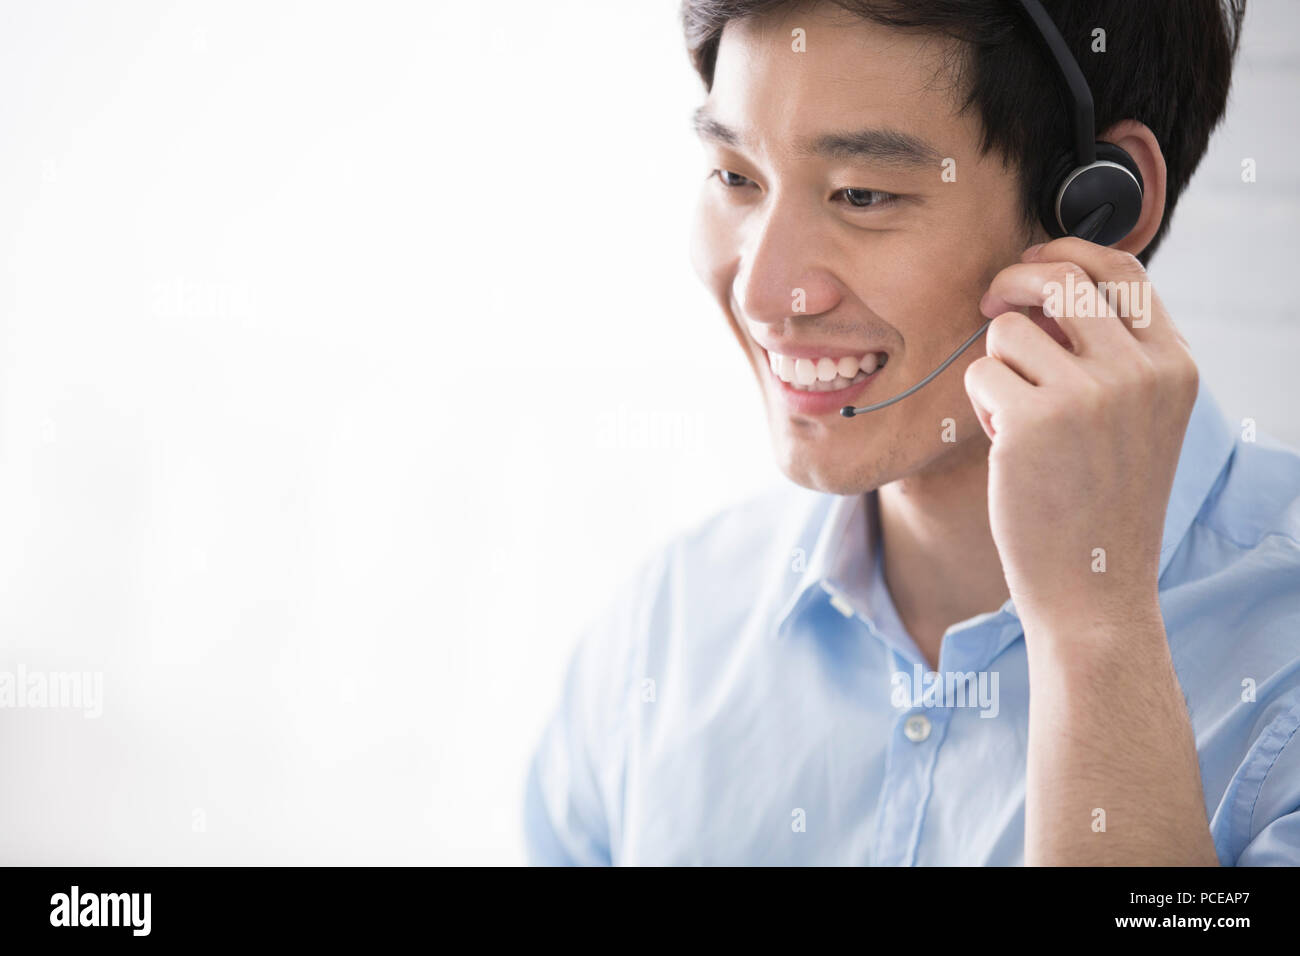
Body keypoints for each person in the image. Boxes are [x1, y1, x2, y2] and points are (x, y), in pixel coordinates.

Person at [524, 0, 1300, 866]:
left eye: (861, 194)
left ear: (1098, 207)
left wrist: (1095, 630)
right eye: (737, 176)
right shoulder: (663, 634)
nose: (762, 292)